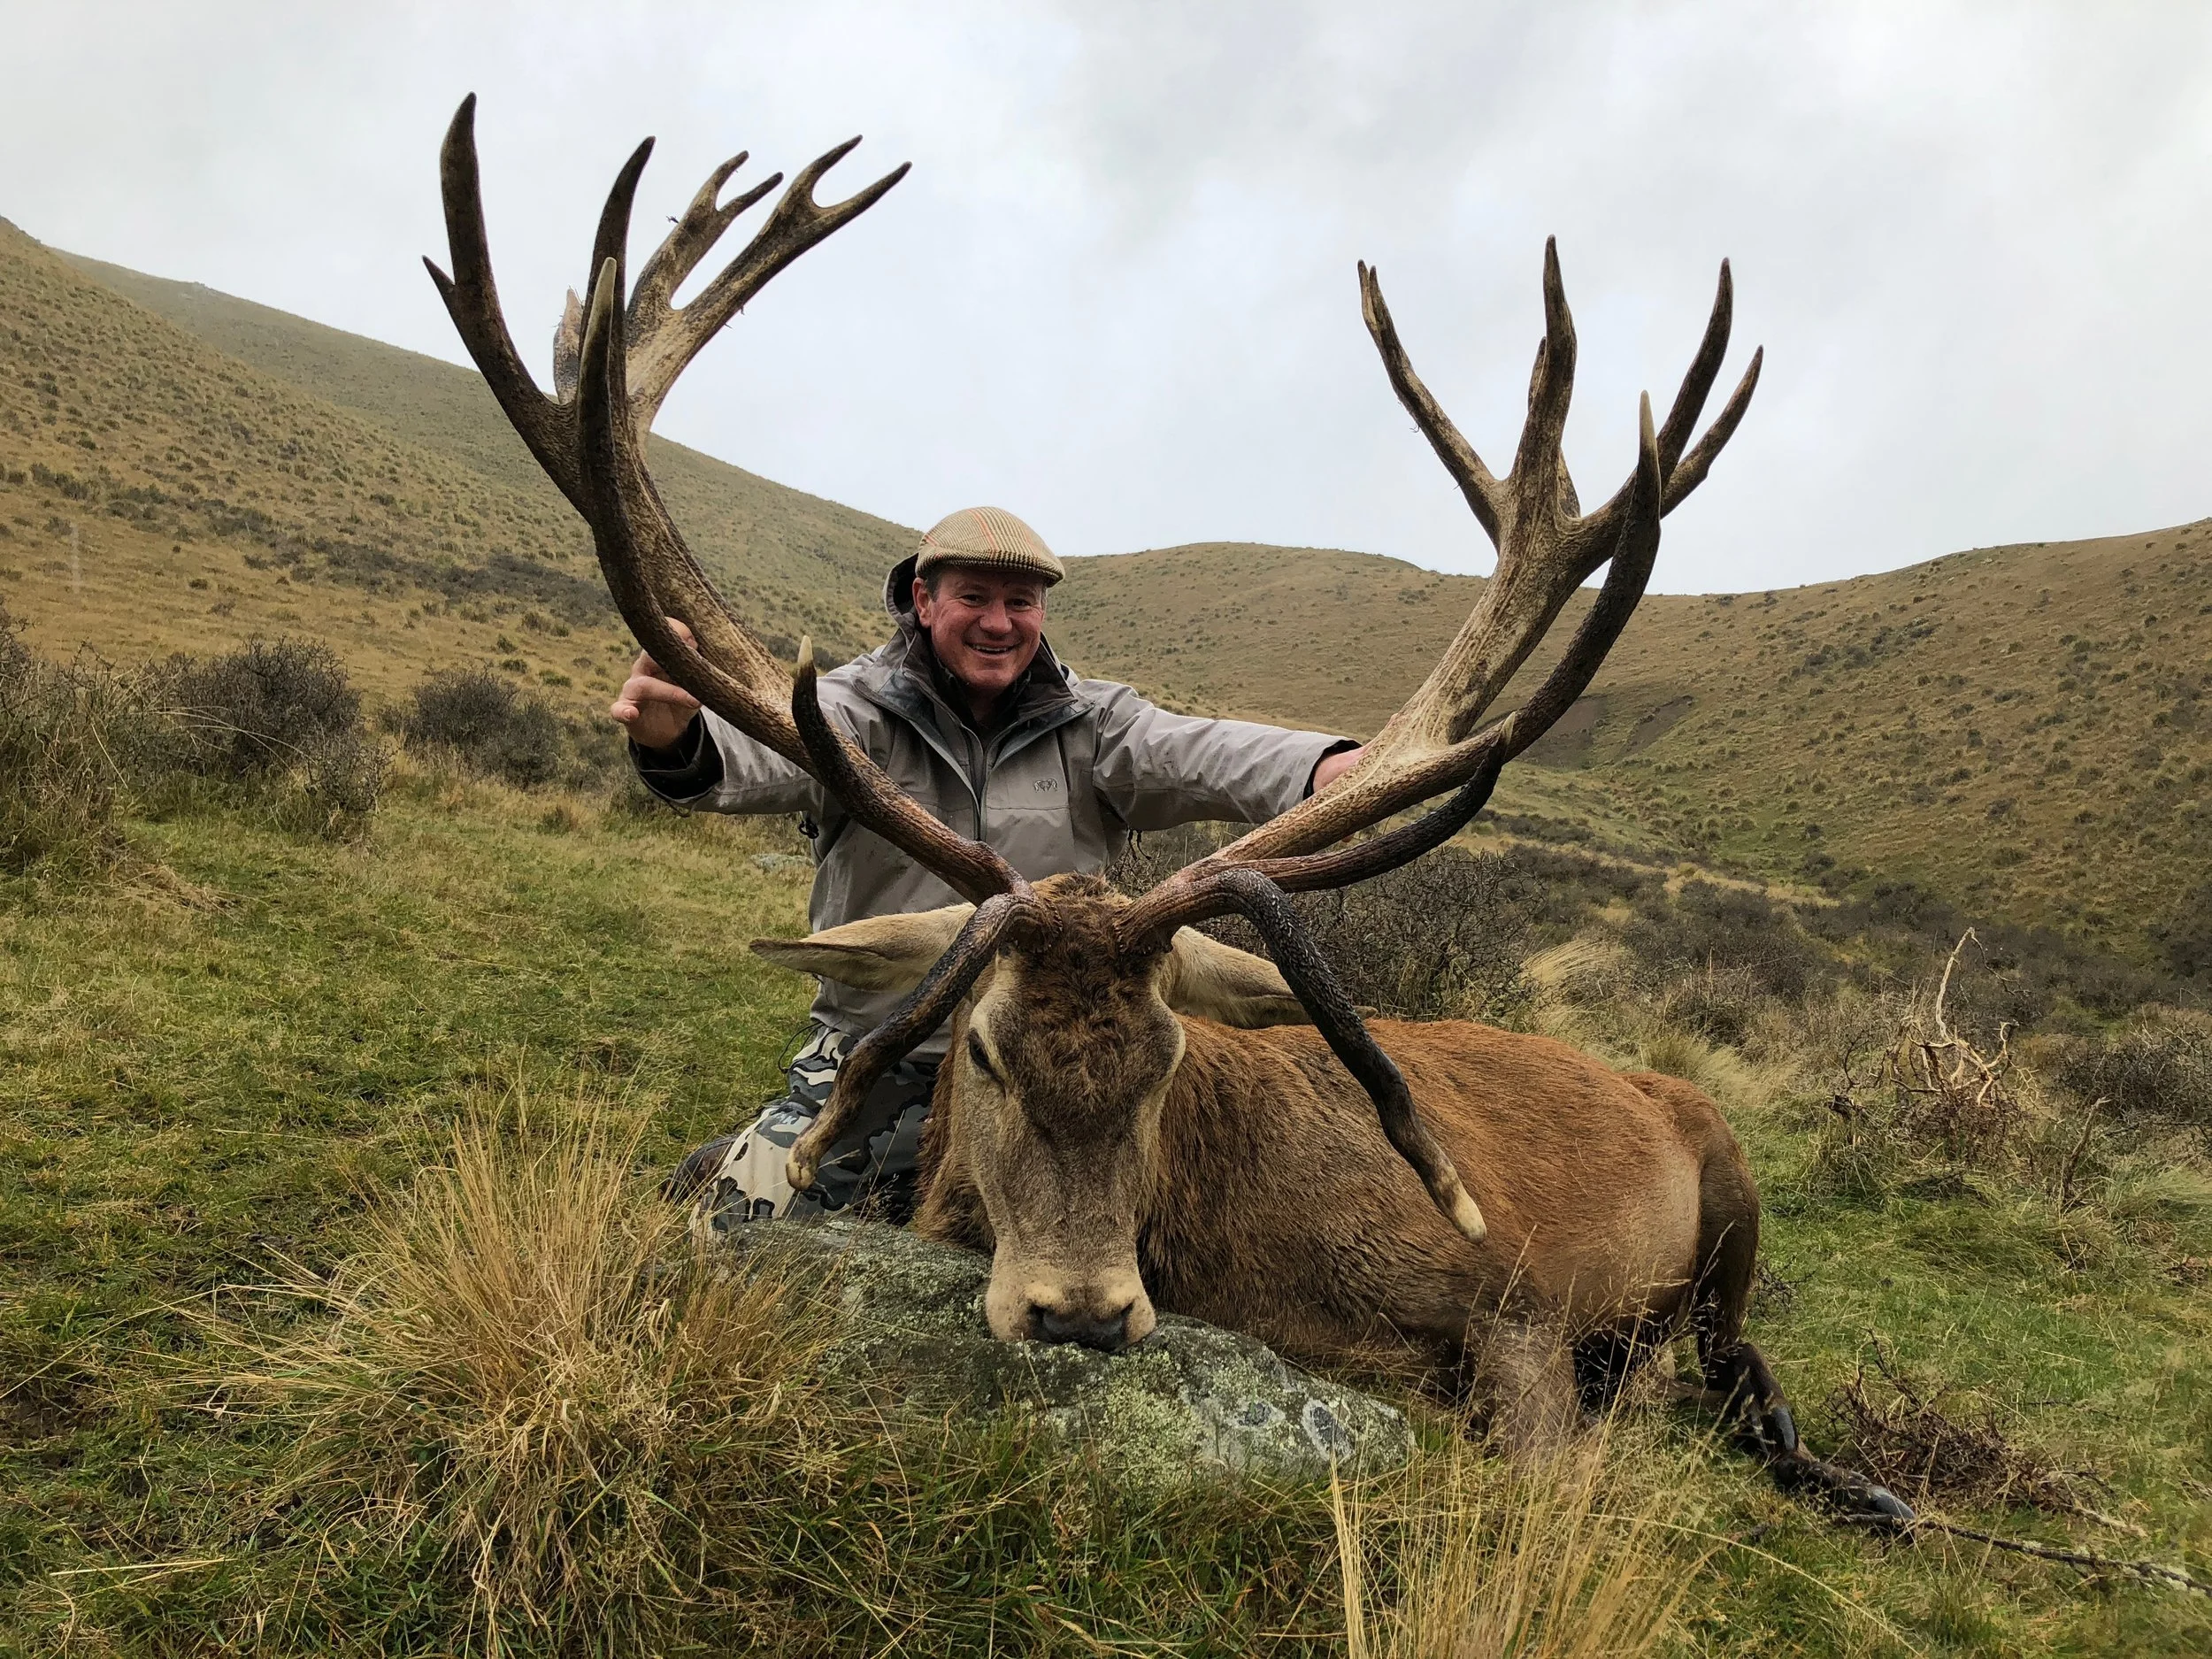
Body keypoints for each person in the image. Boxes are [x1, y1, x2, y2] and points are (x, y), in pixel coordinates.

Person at [615, 505, 1362, 1233]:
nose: (998, 622)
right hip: (882, 1046)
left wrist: (1321, 767)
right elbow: (755, 754)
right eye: (973, 596)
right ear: (923, 598)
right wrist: (680, 739)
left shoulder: (1097, 724)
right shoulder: (853, 710)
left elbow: (1200, 752)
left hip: (1059, 1068)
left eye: (1019, 601)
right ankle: (744, 1162)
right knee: (738, 1236)